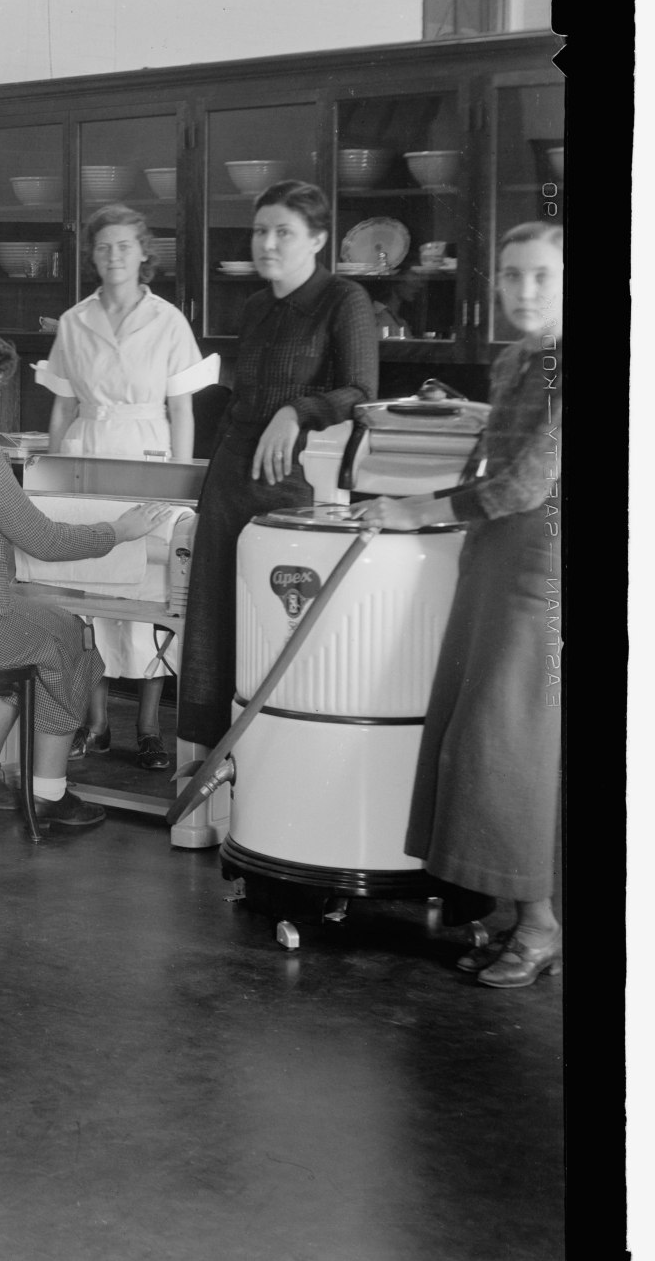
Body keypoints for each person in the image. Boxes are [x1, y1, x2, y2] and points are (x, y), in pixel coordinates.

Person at [369, 223, 563, 988]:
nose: (523, 292)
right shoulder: (518, 358)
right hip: (494, 555)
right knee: (481, 733)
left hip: (540, 564)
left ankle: (542, 925)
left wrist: (414, 511)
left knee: (505, 743)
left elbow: (524, 486)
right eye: (511, 276)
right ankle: (517, 906)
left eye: (542, 276)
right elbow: (495, 464)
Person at [0, 327, 173, 830]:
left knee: (38, 635)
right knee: (70, 635)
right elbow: (44, 542)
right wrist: (120, 529)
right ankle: (49, 792)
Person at [178, 180, 377, 753]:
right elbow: (244, 401)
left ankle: (278, 755)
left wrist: (297, 410)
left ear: (317, 238)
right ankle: (208, 769)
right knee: (215, 619)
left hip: (296, 485)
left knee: (280, 620)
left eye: (282, 232)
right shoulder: (258, 305)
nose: (267, 243)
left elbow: (362, 391)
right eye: (260, 231)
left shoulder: (345, 300)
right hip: (232, 474)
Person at [41, 203, 217, 770]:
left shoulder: (167, 321)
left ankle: (146, 728)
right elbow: (63, 406)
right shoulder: (74, 322)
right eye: (103, 247)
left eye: (124, 246)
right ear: (91, 256)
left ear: (145, 254)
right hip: (88, 454)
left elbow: (182, 409)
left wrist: (180, 481)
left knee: (151, 588)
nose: (114, 256)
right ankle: (95, 724)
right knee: (86, 594)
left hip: (149, 455)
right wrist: (51, 478)